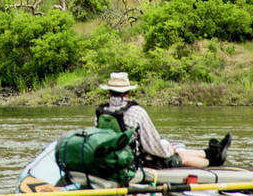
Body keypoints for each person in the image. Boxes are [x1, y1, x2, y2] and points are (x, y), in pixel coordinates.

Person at [96, 72, 230, 168]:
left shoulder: (101, 113)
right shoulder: (136, 112)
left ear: (109, 92)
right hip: (137, 162)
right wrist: (170, 150)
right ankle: (213, 161)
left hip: (112, 158)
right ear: (128, 92)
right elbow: (154, 147)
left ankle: (210, 152)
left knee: (175, 149)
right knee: (179, 156)